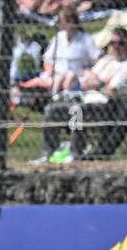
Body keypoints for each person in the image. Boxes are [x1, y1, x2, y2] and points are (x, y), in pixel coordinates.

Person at [34, 26, 127, 161]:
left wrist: (97, 82)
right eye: (112, 43)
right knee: (51, 110)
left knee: (77, 111)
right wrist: (100, 82)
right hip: (84, 98)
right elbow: (84, 83)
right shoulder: (105, 61)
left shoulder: (125, 66)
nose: (115, 47)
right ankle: (48, 153)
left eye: (121, 43)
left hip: (105, 105)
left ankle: (76, 153)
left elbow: (111, 90)